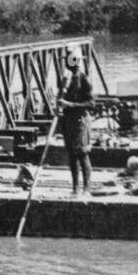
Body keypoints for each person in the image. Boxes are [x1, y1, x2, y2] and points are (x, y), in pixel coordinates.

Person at [57, 49, 94, 196]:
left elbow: (91, 103)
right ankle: (75, 188)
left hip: (80, 121)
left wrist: (70, 105)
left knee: (82, 154)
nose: (67, 62)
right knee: (72, 155)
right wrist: (59, 106)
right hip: (68, 121)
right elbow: (60, 100)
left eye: (70, 59)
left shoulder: (84, 79)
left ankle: (86, 188)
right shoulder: (66, 79)